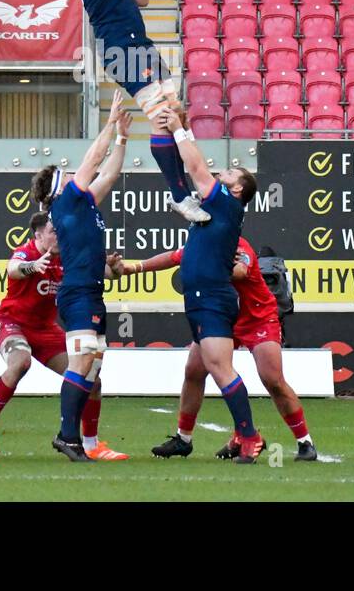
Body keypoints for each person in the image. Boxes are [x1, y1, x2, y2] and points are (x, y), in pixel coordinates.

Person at [76, 0, 210, 224]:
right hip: (121, 48)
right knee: (162, 117)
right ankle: (179, 196)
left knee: (176, 114)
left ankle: (185, 193)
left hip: (139, 44)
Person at [153, 105, 264, 463]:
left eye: (230, 173)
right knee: (194, 371)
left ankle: (249, 437)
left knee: (220, 368)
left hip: (213, 298)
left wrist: (180, 131)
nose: (223, 172)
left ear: (237, 191)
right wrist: (180, 128)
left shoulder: (227, 207)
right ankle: (184, 438)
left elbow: (197, 168)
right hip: (202, 297)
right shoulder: (215, 208)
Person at [0, 211, 127, 462]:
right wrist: (33, 266)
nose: (59, 235)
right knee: (21, 362)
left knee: (92, 378)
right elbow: (13, 269)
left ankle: (91, 444)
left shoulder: (67, 254)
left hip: (45, 329)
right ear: (39, 234)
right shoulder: (28, 252)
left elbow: (106, 273)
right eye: (54, 231)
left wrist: (115, 269)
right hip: (12, 323)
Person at [143, 237, 316, 461]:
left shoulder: (236, 243)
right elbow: (173, 257)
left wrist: (207, 265)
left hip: (258, 318)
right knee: (193, 370)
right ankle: (183, 439)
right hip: (223, 318)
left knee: (272, 379)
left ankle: (304, 442)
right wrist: (133, 268)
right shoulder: (201, 241)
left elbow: (240, 271)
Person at [32, 90, 130, 461]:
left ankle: (85, 442)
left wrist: (121, 137)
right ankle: (67, 436)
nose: (75, 172)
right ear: (59, 186)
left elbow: (111, 171)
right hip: (78, 294)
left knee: (93, 371)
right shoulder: (67, 200)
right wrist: (108, 125)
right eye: (67, 174)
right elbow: (94, 160)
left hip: (91, 290)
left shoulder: (83, 201)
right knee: (84, 360)